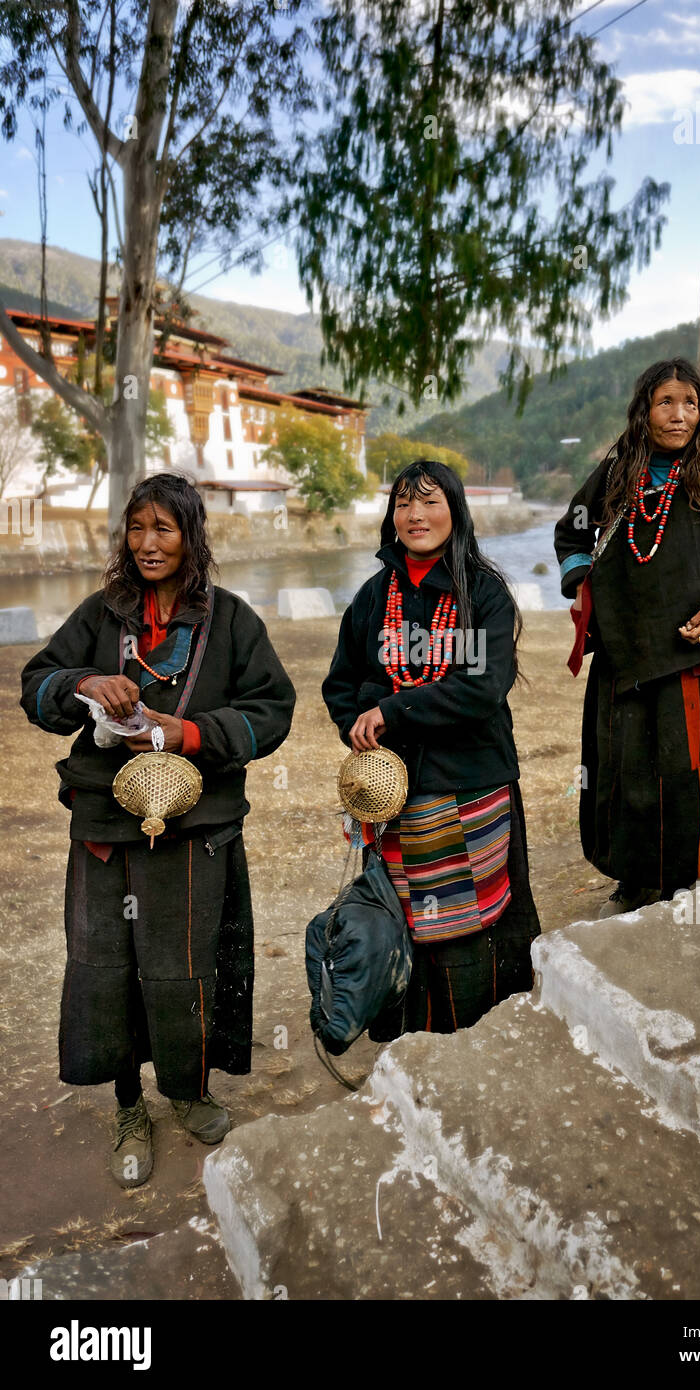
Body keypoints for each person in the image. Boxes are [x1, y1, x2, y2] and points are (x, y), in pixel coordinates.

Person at [21, 473, 295, 1187]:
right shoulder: (100, 616)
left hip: (194, 828)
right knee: (109, 968)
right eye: (136, 528)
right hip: (107, 824)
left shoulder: (232, 620)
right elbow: (36, 682)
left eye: (163, 529)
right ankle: (128, 1103)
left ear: (191, 536)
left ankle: (188, 1087)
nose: (147, 543)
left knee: (184, 966)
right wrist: (83, 685)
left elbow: (272, 710)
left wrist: (192, 731)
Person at [554, 358, 700, 914]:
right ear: (644, 410)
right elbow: (573, 533)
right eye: (665, 402)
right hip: (624, 656)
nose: (679, 415)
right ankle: (632, 878)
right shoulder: (615, 476)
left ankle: (680, 881)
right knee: (624, 769)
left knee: (684, 771)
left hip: (693, 658)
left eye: (690, 403)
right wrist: (584, 588)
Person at [322, 458, 541, 1035]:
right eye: (403, 503)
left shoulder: (481, 593)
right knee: (405, 921)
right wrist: (356, 723)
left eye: (430, 501)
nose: (415, 514)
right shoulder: (373, 597)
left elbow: (479, 688)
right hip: (393, 793)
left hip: (468, 785)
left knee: (471, 926)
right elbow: (340, 682)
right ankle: (407, 1041)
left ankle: (475, 1036)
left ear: (456, 511)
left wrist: (389, 708)